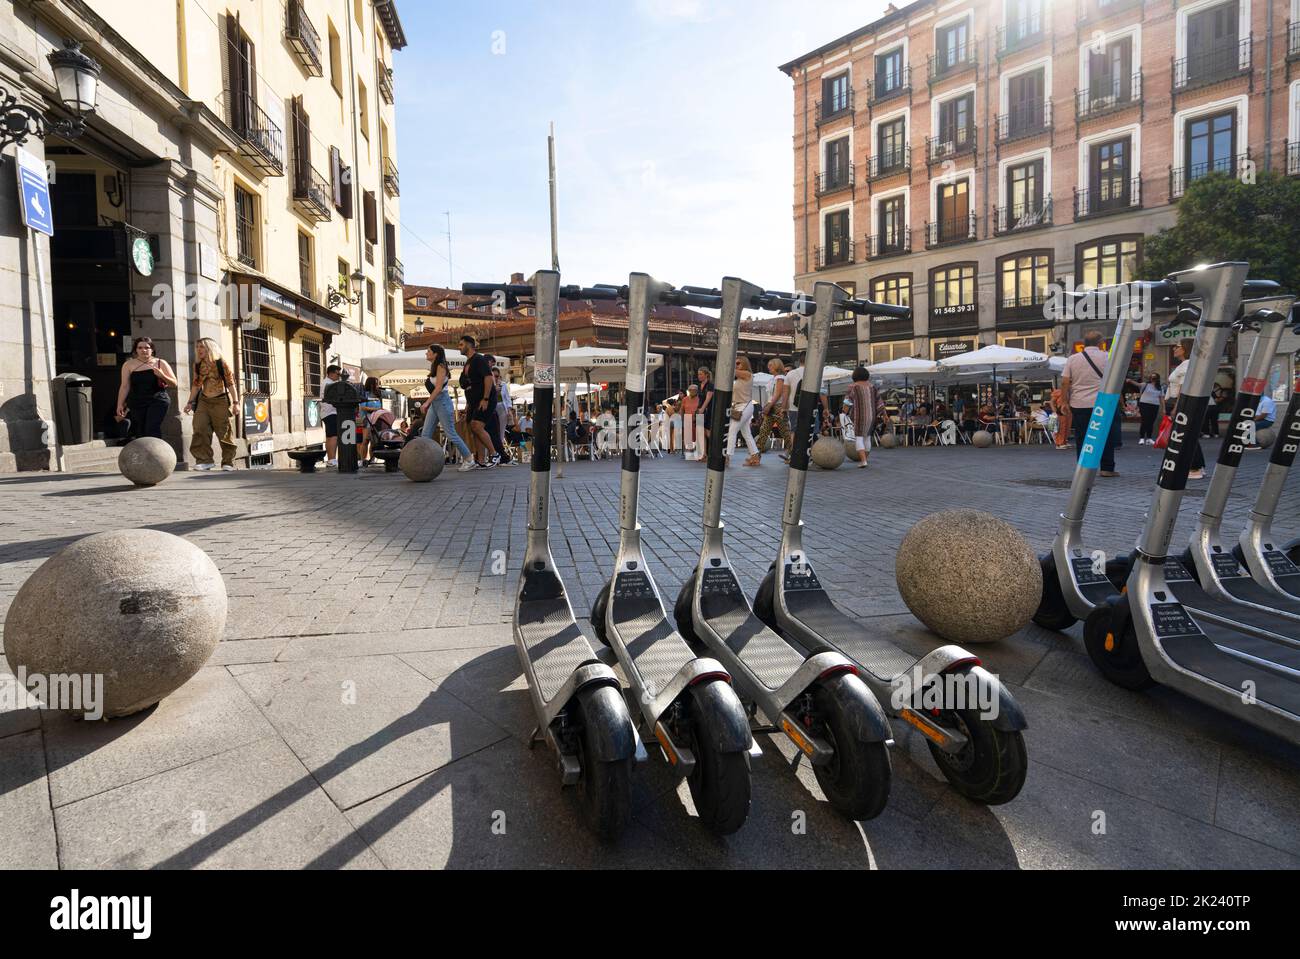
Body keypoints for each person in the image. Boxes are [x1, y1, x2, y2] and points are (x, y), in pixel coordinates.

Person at [1062, 330, 1121, 477]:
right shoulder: (1108, 357)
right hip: (1103, 403)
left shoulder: (1073, 359)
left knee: (1082, 436)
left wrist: (1064, 401)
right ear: (1100, 343)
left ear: (1083, 344)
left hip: (1079, 403)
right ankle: (1107, 468)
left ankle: (1084, 468)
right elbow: (1116, 379)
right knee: (1105, 435)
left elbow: (1065, 382)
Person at [182, 337, 238, 471]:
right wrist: (190, 402)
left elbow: (230, 383)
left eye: (202, 347)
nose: (198, 349)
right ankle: (204, 460)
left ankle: (228, 462)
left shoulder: (221, 363)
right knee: (199, 428)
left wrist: (236, 403)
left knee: (224, 432)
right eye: (197, 347)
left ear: (210, 348)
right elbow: (196, 385)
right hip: (203, 401)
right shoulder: (197, 364)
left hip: (220, 400)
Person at [419, 344, 476, 471]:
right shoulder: (434, 366)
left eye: (428, 351)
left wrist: (427, 402)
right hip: (436, 403)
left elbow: (439, 388)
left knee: (451, 434)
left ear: (436, 354)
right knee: (425, 434)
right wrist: (430, 403)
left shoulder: (441, 366)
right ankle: (424, 462)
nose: (426, 353)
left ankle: (469, 459)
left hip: (443, 402)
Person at [459, 334, 508, 468]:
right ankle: (480, 459)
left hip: (484, 399)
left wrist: (485, 399)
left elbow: (487, 379)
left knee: (477, 426)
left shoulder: (479, 360)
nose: (459, 347)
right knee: (474, 429)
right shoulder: (468, 363)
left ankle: (494, 454)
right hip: (474, 401)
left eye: (461, 344)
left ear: (469, 345)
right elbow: (462, 381)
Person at [117, 337, 177, 441]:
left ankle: (156, 456)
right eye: (140, 347)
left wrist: (162, 375)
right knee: (140, 431)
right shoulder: (128, 365)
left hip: (157, 400)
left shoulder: (160, 363)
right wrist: (120, 404)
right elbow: (124, 386)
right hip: (137, 402)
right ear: (136, 350)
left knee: (152, 429)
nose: (143, 350)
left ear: (152, 349)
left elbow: (174, 383)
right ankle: (143, 456)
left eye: (147, 347)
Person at [1166, 339, 1206, 479]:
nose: (1174, 349)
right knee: (1188, 434)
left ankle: (1195, 468)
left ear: (1184, 348)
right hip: (1179, 402)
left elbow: (1184, 386)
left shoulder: (1187, 364)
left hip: (1181, 403)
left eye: (1177, 347)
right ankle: (1198, 466)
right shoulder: (1184, 364)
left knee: (1184, 435)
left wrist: (1176, 407)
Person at [751, 359, 791, 464]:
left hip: (777, 406)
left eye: (770, 365)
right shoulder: (774, 378)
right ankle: (756, 456)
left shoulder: (780, 378)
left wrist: (769, 406)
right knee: (764, 431)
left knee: (784, 432)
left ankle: (793, 455)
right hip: (772, 406)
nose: (768, 367)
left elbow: (777, 394)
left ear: (777, 366)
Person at [845, 366, 886, 468]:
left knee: (859, 437)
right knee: (867, 437)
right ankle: (865, 459)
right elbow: (880, 402)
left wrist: (844, 412)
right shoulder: (872, 387)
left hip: (859, 416)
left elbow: (847, 401)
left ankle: (863, 461)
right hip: (872, 416)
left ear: (855, 376)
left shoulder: (853, 387)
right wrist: (885, 414)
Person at [726, 357, 759, 463]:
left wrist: (728, 362)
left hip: (745, 406)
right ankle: (755, 456)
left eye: (738, 363)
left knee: (732, 430)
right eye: (735, 363)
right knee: (746, 433)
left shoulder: (747, 374)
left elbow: (731, 371)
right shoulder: (740, 378)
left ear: (745, 364)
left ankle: (727, 456)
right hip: (739, 406)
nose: (736, 365)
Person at [356, 376, 383, 466]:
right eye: (376, 383)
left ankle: (372, 459)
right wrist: (374, 409)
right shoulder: (365, 394)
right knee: (365, 440)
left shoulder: (378, 394)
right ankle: (363, 459)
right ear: (372, 384)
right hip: (367, 419)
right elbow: (362, 407)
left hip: (376, 419)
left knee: (373, 441)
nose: (378, 385)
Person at [493, 368, 516, 464]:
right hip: (493, 409)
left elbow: (507, 398)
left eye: (497, 376)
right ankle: (495, 454)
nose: (495, 378)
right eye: (494, 376)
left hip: (502, 407)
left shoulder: (503, 385)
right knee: (493, 430)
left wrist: (509, 410)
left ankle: (500, 453)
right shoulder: (489, 384)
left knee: (501, 431)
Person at [319, 365, 341, 466]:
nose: (339, 376)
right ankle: (332, 459)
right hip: (330, 412)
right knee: (333, 436)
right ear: (331, 373)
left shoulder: (329, 383)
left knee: (330, 436)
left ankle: (331, 459)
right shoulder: (328, 383)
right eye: (338, 374)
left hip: (329, 412)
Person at [1137, 373, 1164, 445]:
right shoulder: (1145, 384)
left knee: (1151, 422)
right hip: (1144, 404)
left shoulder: (1160, 387)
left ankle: (1149, 438)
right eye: (1152, 377)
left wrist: (1163, 408)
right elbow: (1137, 384)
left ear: (1157, 378)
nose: (1153, 378)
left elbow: (1161, 398)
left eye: (1154, 377)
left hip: (1155, 405)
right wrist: (1130, 381)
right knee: (1145, 420)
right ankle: (1142, 438)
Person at [696, 367, 715, 460]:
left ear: (706, 375)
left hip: (709, 410)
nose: (699, 376)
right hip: (701, 410)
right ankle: (704, 454)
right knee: (702, 432)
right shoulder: (700, 385)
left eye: (700, 374)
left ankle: (714, 451)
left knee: (708, 432)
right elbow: (699, 399)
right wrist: (698, 408)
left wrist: (702, 408)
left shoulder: (710, 385)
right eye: (698, 374)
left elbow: (708, 398)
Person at [680, 384, 701, 459]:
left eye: (694, 390)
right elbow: (682, 409)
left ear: (697, 391)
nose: (692, 391)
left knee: (697, 436)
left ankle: (697, 450)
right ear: (688, 391)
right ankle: (687, 451)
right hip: (687, 419)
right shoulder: (685, 399)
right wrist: (681, 419)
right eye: (691, 390)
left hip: (697, 420)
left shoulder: (699, 399)